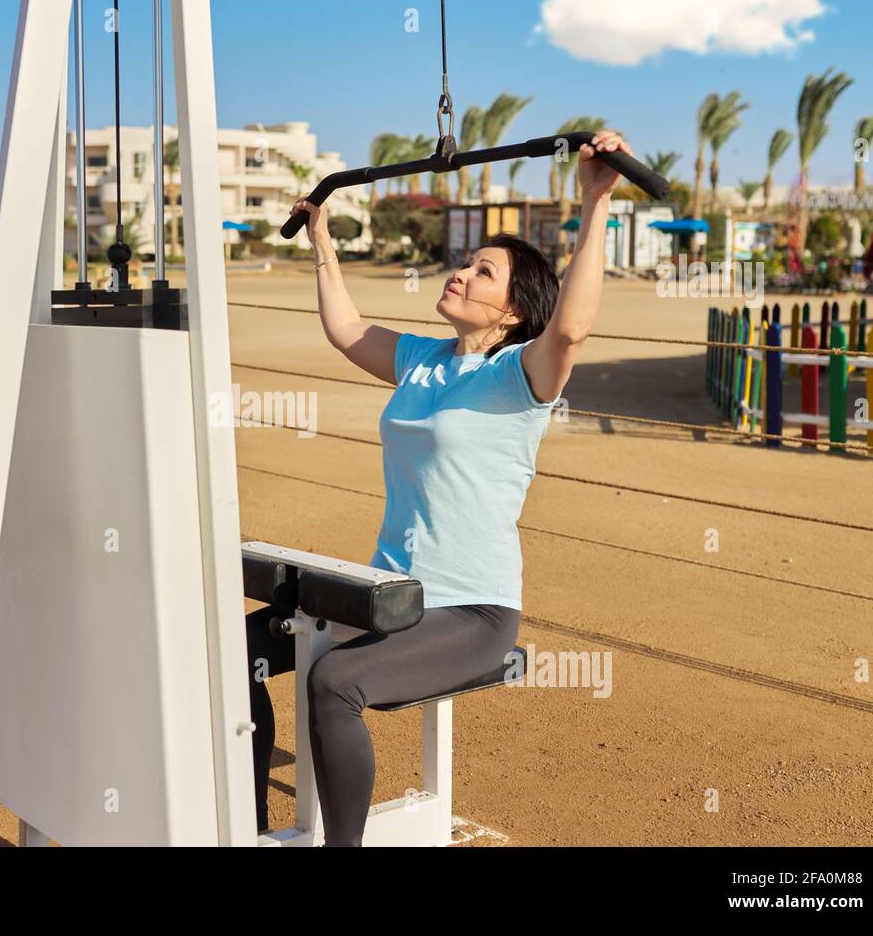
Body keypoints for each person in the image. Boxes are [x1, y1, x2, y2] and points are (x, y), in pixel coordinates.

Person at [247, 129, 633, 846]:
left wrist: (596, 200)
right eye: (465, 262)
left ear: (514, 311)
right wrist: (321, 239)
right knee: (240, 656)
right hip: (392, 593)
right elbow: (346, 329)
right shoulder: (424, 361)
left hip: (472, 613)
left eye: (483, 273)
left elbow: (573, 329)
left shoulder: (519, 378)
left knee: (334, 685)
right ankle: (248, 822)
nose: (460, 273)